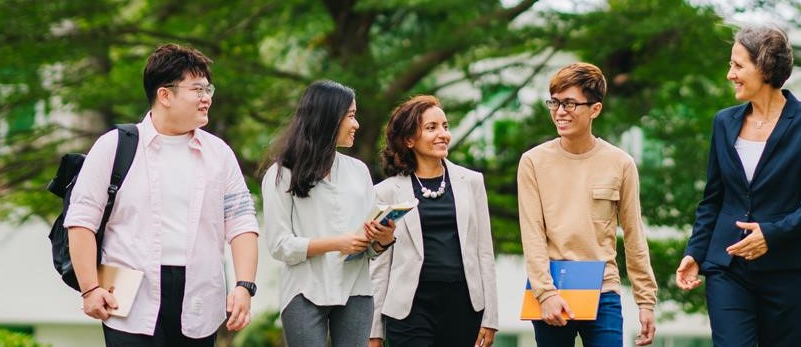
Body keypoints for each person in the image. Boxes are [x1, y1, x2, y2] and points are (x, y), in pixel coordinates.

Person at [63, 43, 261, 347]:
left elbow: (242, 222)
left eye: (209, 88)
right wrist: (89, 289)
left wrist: (244, 286)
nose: (206, 97)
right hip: (127, 293)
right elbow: (81, 220)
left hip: (199, 293)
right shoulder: (114, 145)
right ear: (164, 94)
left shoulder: (219, 154)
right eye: (197, 89)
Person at [672, 25, 801, 347]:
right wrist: (695, 252)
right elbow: (713, 198)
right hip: (727, 267)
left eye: (737, 65)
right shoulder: (724, 122)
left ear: (764, 67)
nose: (729, 74)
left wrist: (770, 234)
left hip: (787, 271)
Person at [516, 62, 660, 347]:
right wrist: (545, 293)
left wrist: (646, 301)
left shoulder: (620, 163)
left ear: (595, 109)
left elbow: (634, 235)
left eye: (569, 104)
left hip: (603, 290)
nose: (559, 112)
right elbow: (532, 235)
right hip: (551, 288)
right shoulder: (533, 162)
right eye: (554, 102)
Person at [261, 80, 395, 347]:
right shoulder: (281, 174)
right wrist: (336, 243)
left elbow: (369, 248)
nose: (357, 124)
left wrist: (383, 237)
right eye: (351, 116)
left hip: (356, 290)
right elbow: (279, 245)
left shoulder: (359, 171)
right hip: (303, 291)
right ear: (329, 118)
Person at [366, 95, 500, 347]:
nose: (443, 134)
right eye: (431, 128)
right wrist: (374, 330)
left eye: (445, 126)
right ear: (408, 140)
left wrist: (490, 317)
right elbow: (380, 264)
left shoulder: (471, 182)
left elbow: (484, 252)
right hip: (409, 308)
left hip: (464, 305)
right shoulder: (386, 192)